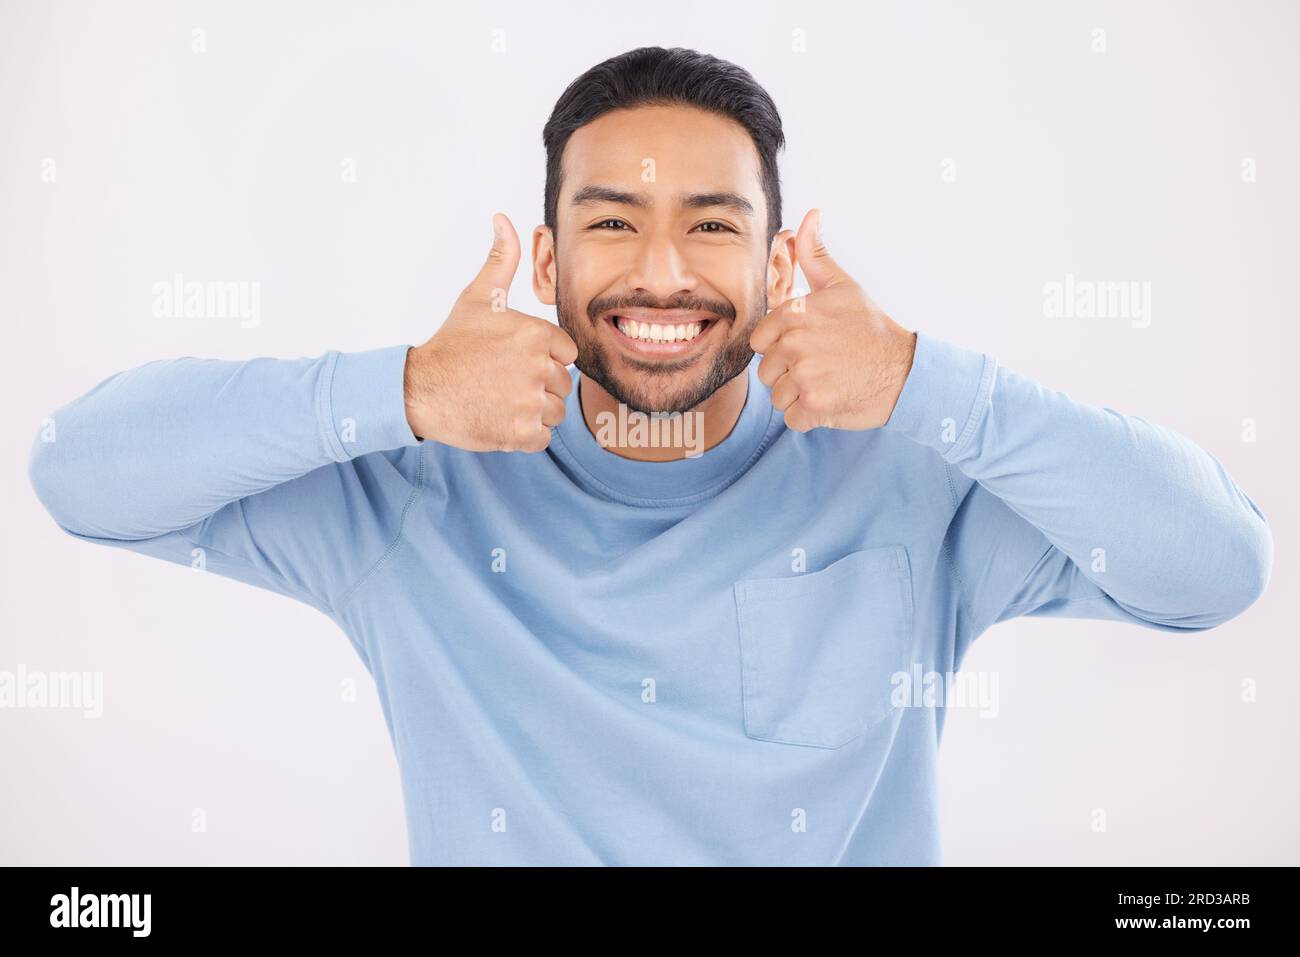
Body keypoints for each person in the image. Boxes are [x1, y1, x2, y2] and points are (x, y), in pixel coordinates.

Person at [28, 46, 1272, 866]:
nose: (662, 274)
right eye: (611, 221)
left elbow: (1216, 569)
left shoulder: (908, 473)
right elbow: (79, 477)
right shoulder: (412, 492)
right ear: (550, 262)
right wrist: (398, 389)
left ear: (777, 265)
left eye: (712, 226)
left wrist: (922, 382)